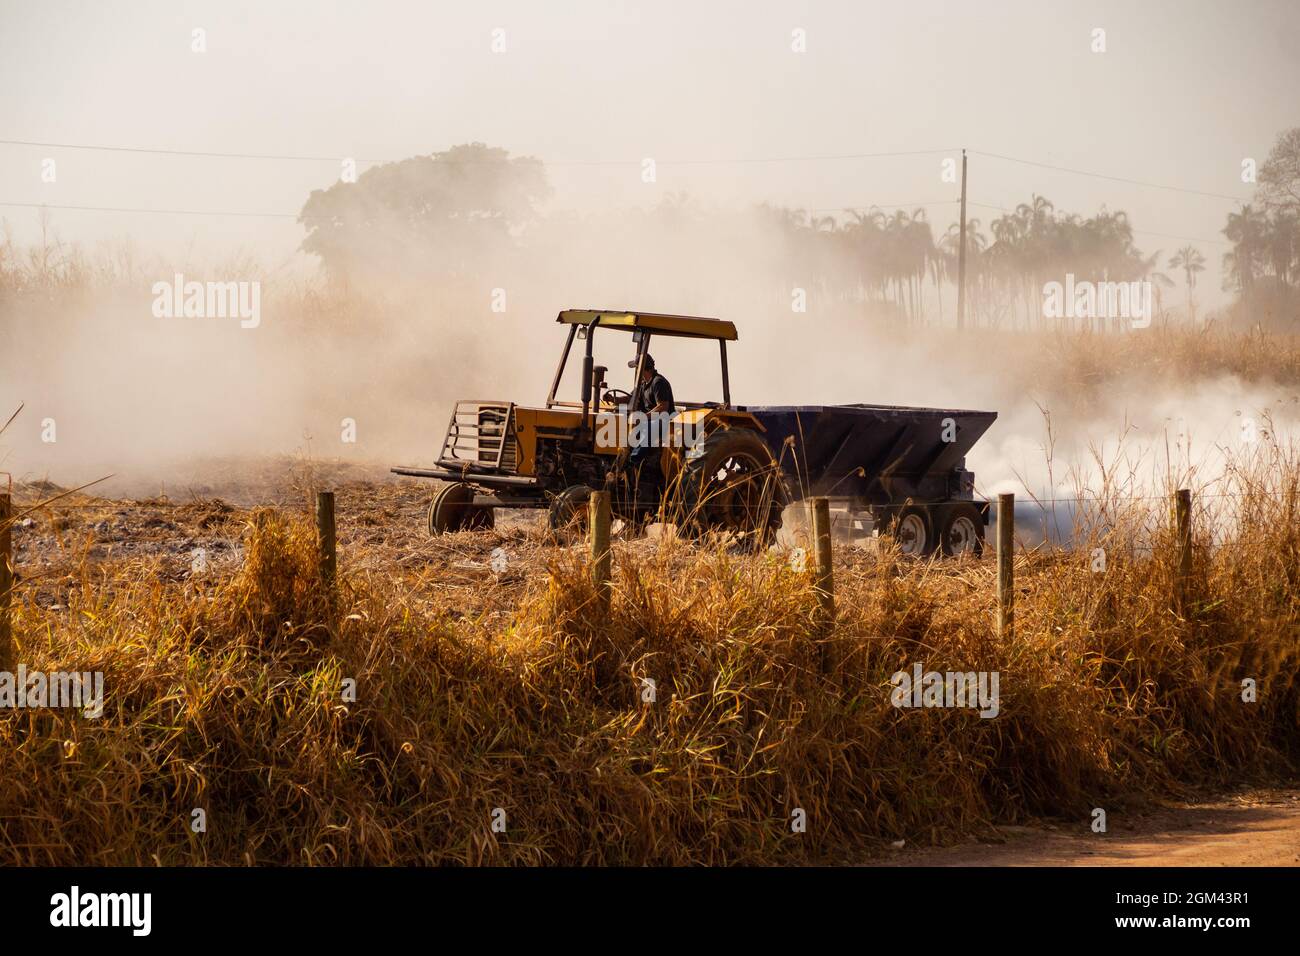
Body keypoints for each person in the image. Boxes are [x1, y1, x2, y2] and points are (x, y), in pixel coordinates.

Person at [625, 354, 674, 496]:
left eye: (637, 368)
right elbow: (630, 398)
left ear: (643, 368)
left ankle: (634, 459)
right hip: (649, 419)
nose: (636, 371)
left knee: (649, 426)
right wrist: (613, 399)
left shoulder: (658, 382)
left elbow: (663, 407)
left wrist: (644, 417)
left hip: (664, 420)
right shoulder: (643, 384)